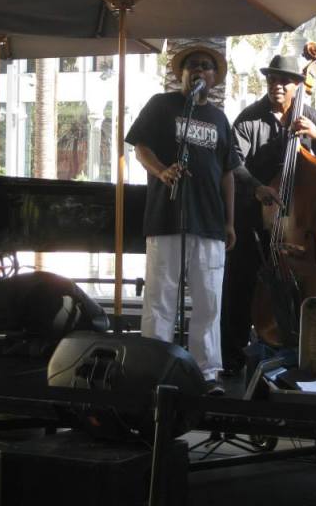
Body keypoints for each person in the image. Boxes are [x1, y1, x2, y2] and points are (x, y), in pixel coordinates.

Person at [221, 54, 316, 375]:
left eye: (284, 81)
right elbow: (233, 165)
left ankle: (312, 350)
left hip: (299, 231)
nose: (277, 86)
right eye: (272, 80)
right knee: (241, 285)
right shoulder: (249, 119)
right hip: (256, 221)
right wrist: (258, 187)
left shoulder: (312, 117)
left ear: (297, 85)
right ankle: (233, 359)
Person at [125, 44, 238, 395]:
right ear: (181, 74)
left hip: (209, 223)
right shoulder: (162, 105)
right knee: (160, 297)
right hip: (166, 218)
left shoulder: (220, 119)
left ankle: (207, 373)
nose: (199, 71)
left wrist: (230, 222)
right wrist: (161, 171)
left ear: (214, 77)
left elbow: (228, 174)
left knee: (209, 300)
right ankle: (154, 370)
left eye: (205, 67)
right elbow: (140, 146)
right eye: (192, 66)